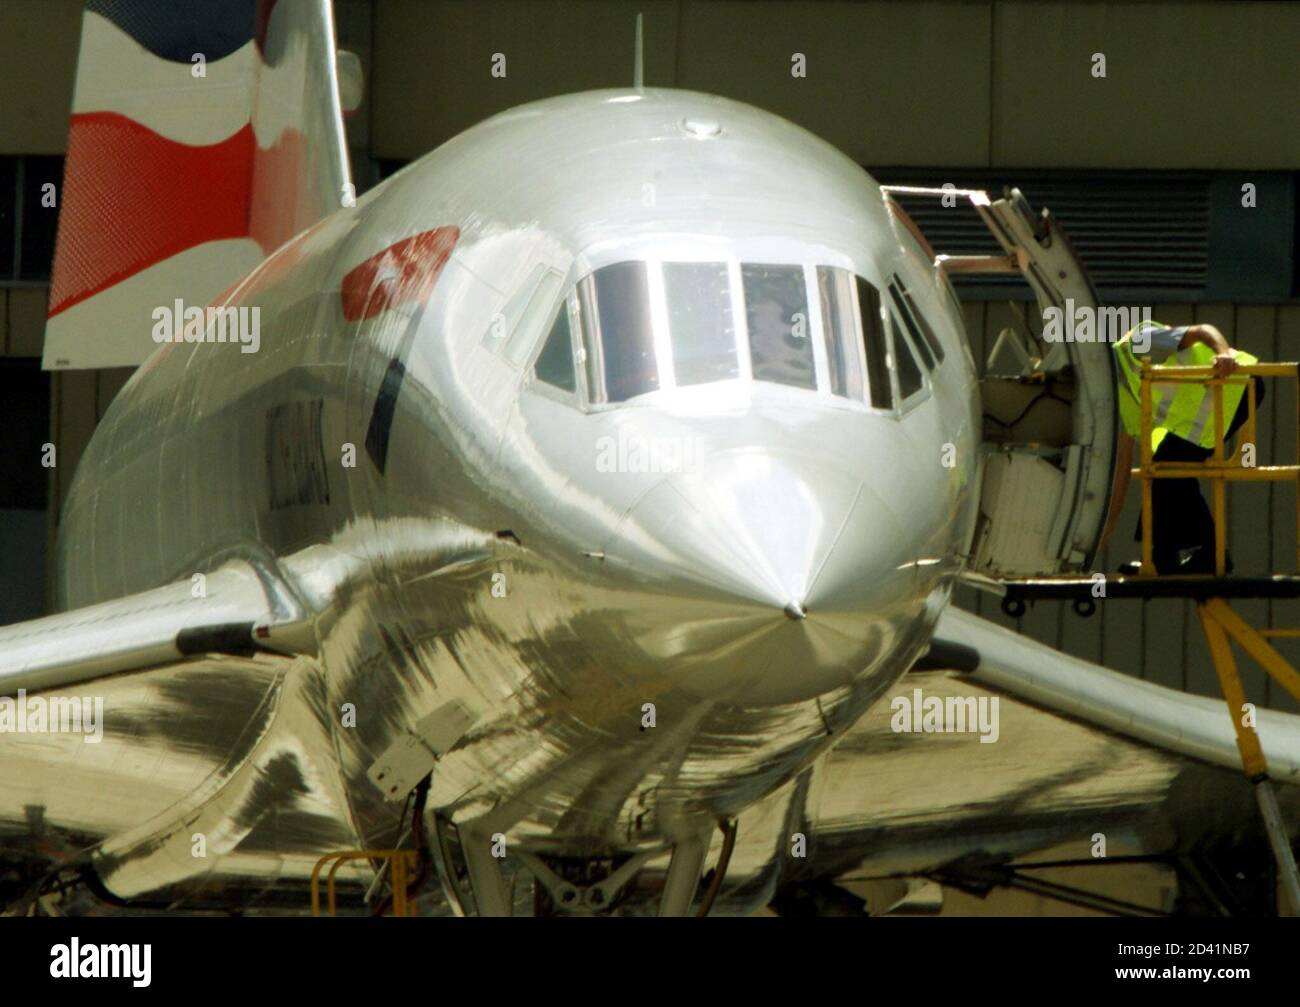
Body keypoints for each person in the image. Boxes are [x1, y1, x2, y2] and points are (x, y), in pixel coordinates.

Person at [1109, 319, 1263, 575]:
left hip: (1236, 381)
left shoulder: (1136, 342)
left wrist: (1223, 355)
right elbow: (1123, 468)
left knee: (1168, 463)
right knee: (1160, 468)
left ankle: (1208, 554)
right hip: (1212, 405)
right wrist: (1103, 534)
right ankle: (1163, 557)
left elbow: (1203, 331)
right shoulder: (1119, 395)